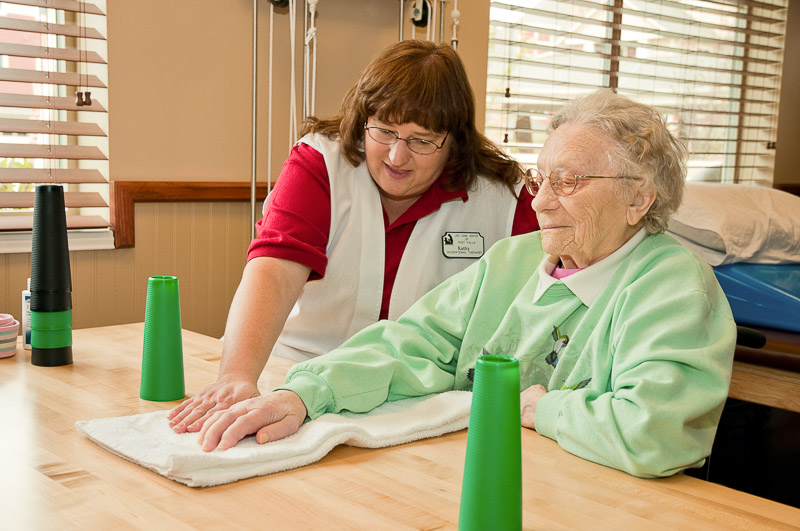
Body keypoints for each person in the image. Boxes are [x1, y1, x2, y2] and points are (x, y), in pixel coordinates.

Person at [195, 89, 737, 479]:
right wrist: (304, 393)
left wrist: (538, 408)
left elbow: (655, 432)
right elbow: (410, 345)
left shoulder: (674, 287)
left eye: (569, 183)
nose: (542, 202)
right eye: (540, 179)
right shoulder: (513, 261)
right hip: (487, 481)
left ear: (639, 199)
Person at [168, 40, 539, 434]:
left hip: (417, 397)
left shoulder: (506, 197)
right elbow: (274, 274)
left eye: (422, 140)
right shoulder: (320, 164)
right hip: (293, 375)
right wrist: (237, 375)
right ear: (364, 119)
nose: (397, 156)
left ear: (456, 141)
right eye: (385, 131)